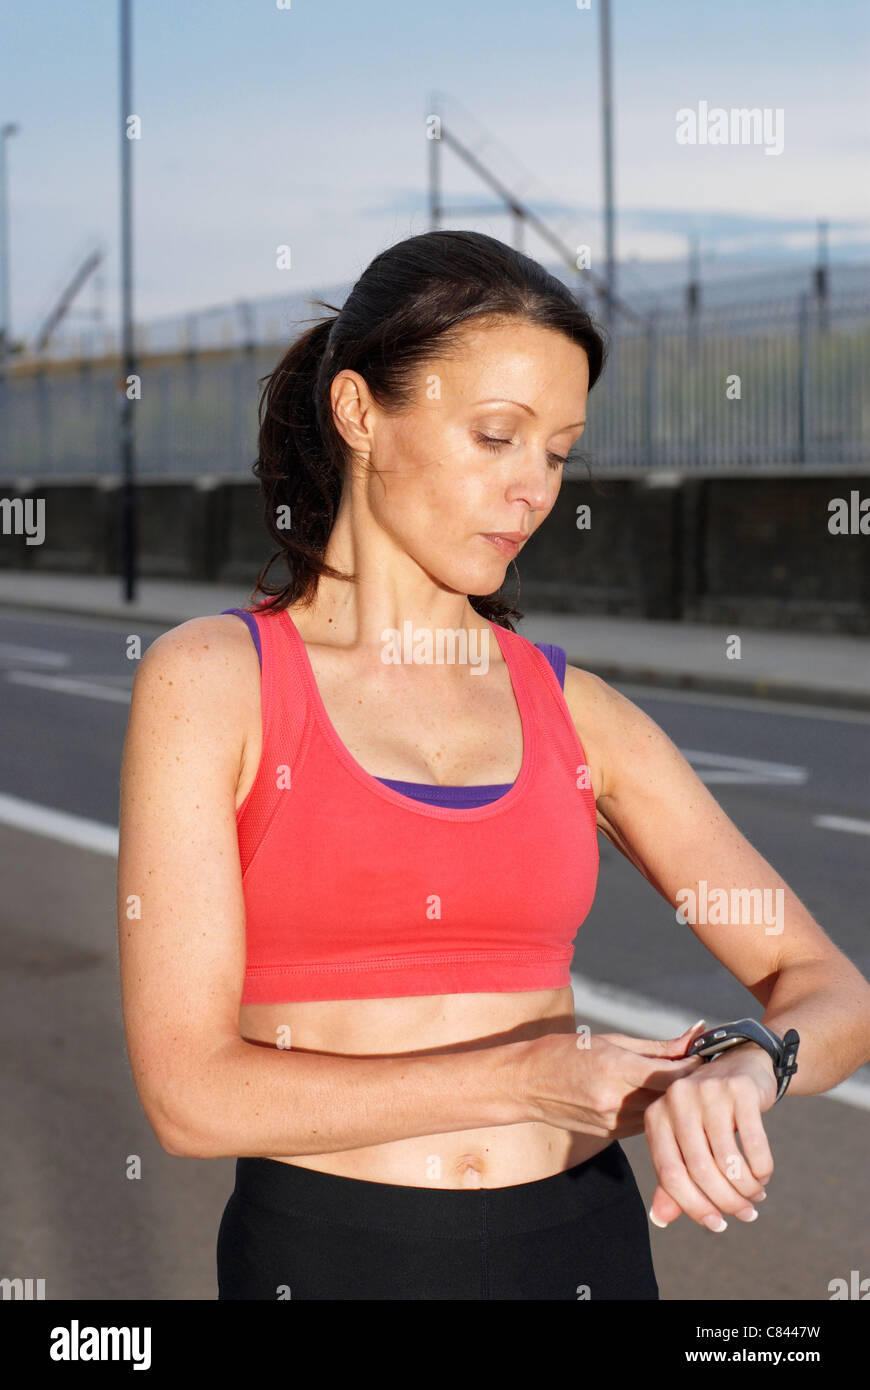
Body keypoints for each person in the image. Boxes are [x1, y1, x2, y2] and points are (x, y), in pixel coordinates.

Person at [117, 229, 870, 1301]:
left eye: (556, 452)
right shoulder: (213, 681)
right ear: (360, 411)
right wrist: (530, 1075)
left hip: (584, 1247)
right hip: (335, 1257)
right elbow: (190, 1097)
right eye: (496, 436)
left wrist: (751, 1062)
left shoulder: (575, 711)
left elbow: (832, 989)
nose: (533, 489)